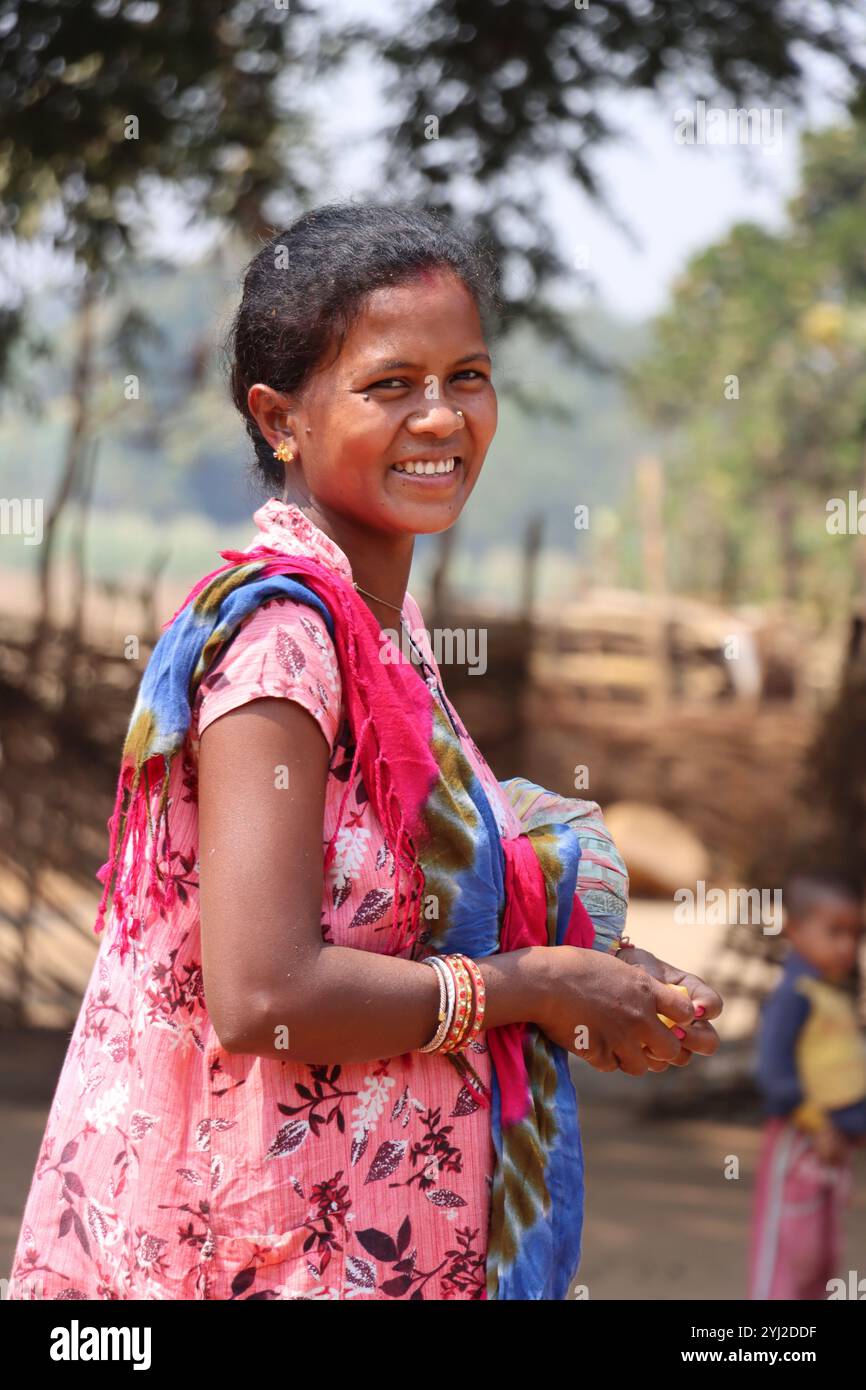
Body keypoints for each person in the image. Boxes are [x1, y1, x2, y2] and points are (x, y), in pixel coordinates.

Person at [8, 202, 722, 1301]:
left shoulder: (380, 629)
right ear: (279, 418)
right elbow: (261, 989)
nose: (440, 418)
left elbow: (396, 909)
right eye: (391, 384)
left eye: (467, 377)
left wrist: (593, 969)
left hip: (371, 1230)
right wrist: (529, 987)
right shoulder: (282, 639)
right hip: (266, 1246)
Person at [749, 870, 866, 1300]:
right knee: (786, 1254)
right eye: (835, 932)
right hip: (801, 1141)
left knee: (821, 1255)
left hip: (832, 1148)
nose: (848, 946)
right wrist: (819, 1125)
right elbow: (775, 1072)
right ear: (794, 930)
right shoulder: (794, 994)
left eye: (855, 934)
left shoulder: (830, 990)